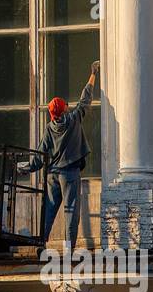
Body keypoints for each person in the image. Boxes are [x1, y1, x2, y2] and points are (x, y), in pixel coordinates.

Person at [19, 61, 99, 248]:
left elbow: (39, 158)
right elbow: (85, 100)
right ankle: (69, 248)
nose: (67, 106)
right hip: (69, 174)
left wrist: (22, 167)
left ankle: (41, 243)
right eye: (65, 105)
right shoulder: (73, 119)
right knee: (71, 211)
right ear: (64, 109)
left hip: (52, 175)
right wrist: (93, 74)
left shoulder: (49, 128)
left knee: (49, 210)